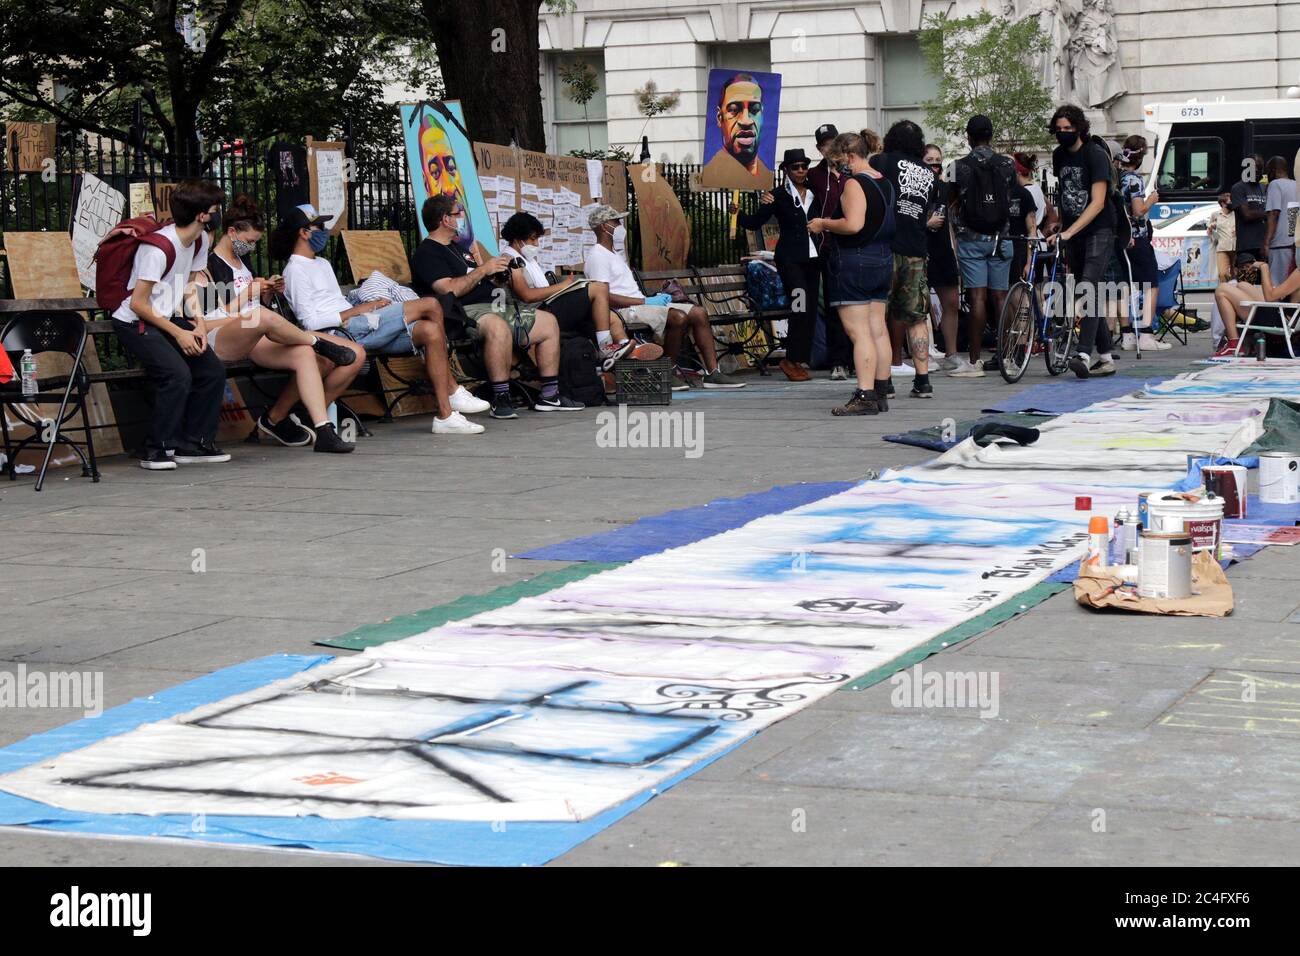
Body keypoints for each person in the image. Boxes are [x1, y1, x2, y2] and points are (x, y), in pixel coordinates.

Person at [276, 203, 486, 435]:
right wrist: (358, 310)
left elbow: (337, 303)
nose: (325, 231)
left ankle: (446, 416)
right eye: (319, 227)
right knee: (431, 304)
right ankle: (453, 389)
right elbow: (310, 324)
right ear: (304, 233)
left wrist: (364, 308)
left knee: (430, 331)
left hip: (362, 323)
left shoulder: (322, 263)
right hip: (340, 332)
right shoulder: (295, 270)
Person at [199, 195, 361, 453]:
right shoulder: (209, 264)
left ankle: (323, 430)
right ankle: (316, 340)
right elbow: (207, 318)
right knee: (264, 318)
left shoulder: (243, 262)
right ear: (232, 232)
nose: (252, 247)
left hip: (257, 331)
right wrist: (249, 295)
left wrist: (266, 293)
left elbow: (253, 305)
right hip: (226, 335)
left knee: (305, 354)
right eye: (250, 241)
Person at [412, 194, 584, 417]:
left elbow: (474, 280)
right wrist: (483, 269)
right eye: (459, 213)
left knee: (548, 322)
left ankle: (550, 396)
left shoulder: (459, 248)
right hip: (461, 312)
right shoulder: (428, 252)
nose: (463, 218)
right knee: (497, 326)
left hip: (494, 305)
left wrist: (497, 276)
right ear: (446, 219)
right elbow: (448, 289)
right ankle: (501, 398)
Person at [111, 179, 230, 470]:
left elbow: (188, 287)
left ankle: (195, 443)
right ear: (202, 214)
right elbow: (139, 304)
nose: (218, 213)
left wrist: (199, 325)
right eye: (215, 209)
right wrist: (179, 334)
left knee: (212, 371)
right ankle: (156, 448)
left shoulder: (199, 240)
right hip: (136, 321)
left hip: (168, 317)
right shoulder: (158, 249)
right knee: (177, 376)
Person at [583, 205, 745, 390]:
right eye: (616, 221)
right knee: (678, 317)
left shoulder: (614, 254)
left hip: (640, 304)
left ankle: (713, 373)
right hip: (624, 312)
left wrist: (651, 299)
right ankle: (668, 371)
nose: (621, 225)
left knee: (698, 313)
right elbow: (603, 298)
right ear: (604, 227)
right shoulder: (597, 256)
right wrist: (646, 301)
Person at [498, 211, 660, 368]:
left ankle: (625, 348)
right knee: (598, 288)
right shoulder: (510, 260)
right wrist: (562, 287)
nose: (536, 244)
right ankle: (606, 348)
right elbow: (526, 296)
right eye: (533, 239)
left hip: (546, 307)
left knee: (608, 314)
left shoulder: (527, 259)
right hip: (534, 314)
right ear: (518, 238)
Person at [808, 129, 895, 416]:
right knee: (877, 329)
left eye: (837, 160)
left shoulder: (854, 184)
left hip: (855, 261)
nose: (836, 166)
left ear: (848, 156)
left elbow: (854, 224)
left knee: (859, 333)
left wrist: (824, 223)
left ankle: (865, 395)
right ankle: (881, 390)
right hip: (882, 259)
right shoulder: (885, 183)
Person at [731, 147, 821, 381]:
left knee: (810, 309)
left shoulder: (815, 193)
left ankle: (798, 358)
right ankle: (790, 358)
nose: (801, 171)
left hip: (813, 260)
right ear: (786, 170)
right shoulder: (777, 195)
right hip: (791, 260)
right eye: (795, 167)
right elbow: (754, 223)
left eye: (804, 166)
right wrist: (737, 214)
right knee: (800, 306)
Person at [870, 120, 938, 398]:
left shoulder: (881, 161)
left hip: (884, 247)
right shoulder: (928, 174)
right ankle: (923, 380)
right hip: (916, 250)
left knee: (879, 315)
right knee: (916, 318)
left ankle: (884, 381)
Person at [1048, 104, 1117, 378]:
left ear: (1079, 128)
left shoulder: (1095, 155)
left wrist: (1068, 231)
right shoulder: (1058, 156)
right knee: (1088, 289)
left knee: (1090, 285)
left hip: (1099, 228)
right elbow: (1064, 194)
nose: (1063, 133)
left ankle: (1084, 353)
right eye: (1059, 129)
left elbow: (1098, 202)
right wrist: (1060, 225)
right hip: (1073, 231)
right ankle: (1107, 357)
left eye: (1068, 129)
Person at [950, 114, 1017, 377]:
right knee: (1001, 297)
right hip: (1001, 240)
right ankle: (1008, 357)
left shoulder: (958, 166)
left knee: (977, 297)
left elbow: (952, 202)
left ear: (968, 137)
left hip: (971, 241)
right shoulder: (1007, 165)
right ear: (991, 135)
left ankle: (975, 361)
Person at [1116, 135, 1170, 352]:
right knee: (1150, 285)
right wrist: (1151, 200)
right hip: (1137, 237)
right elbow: (1138, 211)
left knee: (1124, 286)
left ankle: (1126, 334)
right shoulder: (1134, 180)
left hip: (1121, 238)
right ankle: (1146, 334)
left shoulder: (1116, 178)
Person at [809, 123, 853, 380]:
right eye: (825, 143)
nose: (830, 147)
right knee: (834, 304)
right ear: (819, 148)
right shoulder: (815, 175)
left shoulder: (852, 173)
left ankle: (855, 357)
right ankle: (838, 361)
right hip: (827, 247)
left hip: (853, 246)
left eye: (833, 142)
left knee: (855, 304)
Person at [924, 144, 962, 373]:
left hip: (943, 250)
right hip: (921, 247)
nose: (935, 164)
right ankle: (925, 353)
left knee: (952, 303)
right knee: (919, 306)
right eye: (930, 160)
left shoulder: (945, 188)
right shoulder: (916, 188)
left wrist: (954, 252)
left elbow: (948, 222)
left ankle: (952, 353)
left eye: (938, 160)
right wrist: (926, 224)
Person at [1213, 257, 1300, 355]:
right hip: (1286, 315)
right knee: (1243, 285)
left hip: (1280, 321)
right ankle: (1247, 337)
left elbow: (1270, 296)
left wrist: (1264, 267)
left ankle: (1234, 343)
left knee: (1222, 290)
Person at [700, 73, 772, 184]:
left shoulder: (768, 179)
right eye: (734, 109)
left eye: (755, 110)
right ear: (720, 118)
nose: (746, 121)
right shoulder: (712, 176)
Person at [1264, 155, 1298, 283]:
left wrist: (1267, 243)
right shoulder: (1296, 185)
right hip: (1294, 245)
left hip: (1279, 246)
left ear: (1273, 170)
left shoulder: (1275, 185)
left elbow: (1274, 214)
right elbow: (1293, 213)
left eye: (1268, 172)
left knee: (1276, 286)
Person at [1230, 152, 1268, 265]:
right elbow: (1247, 215)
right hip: (1247, 247)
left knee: (1264, 281)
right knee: (1247, 281)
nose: (1258, 173)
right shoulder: (1238, 188)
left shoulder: (1264, 187)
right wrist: (1267, 214)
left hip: (1264, 245)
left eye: (1260, 170)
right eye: (1256, 170)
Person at [1209, 192, 1237, 283]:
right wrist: (1211, 228)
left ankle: (1236, 292)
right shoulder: (1215, 214)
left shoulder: (1236, 214)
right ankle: (1226, 289)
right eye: (1230, 201)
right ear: (1223, 204)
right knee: (1222, 273)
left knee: (1235, 273)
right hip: (1222, 247)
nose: (1232, 203)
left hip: (1236, 247)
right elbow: (1209, 231)